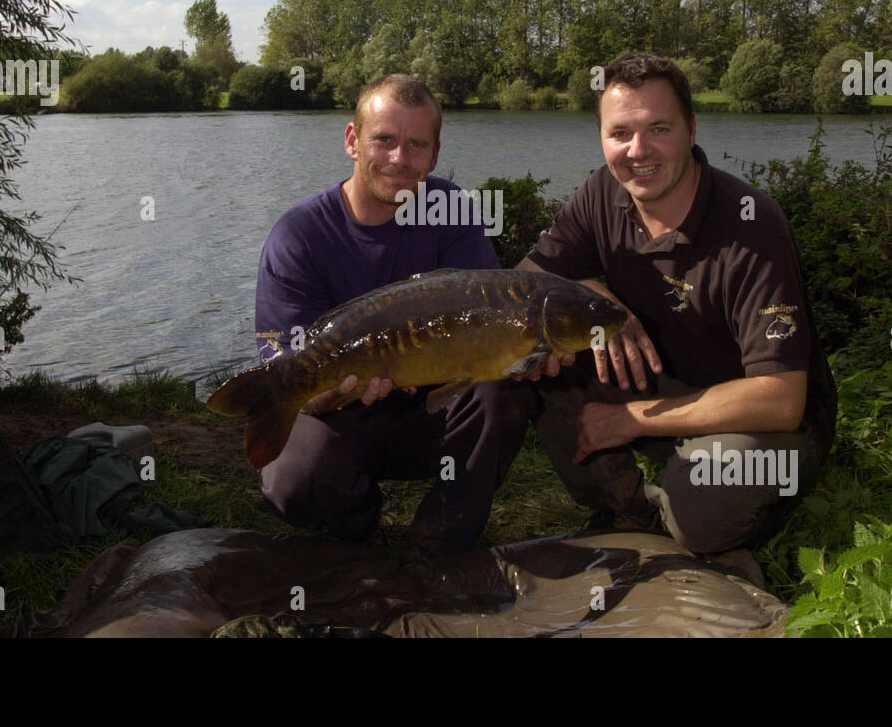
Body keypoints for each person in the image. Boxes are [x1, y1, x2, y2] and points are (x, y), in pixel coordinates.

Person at [517, 53, 837, 554]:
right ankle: (629, 509)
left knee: (700, 512)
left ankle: (693, 509)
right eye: (619, 133)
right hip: (665, 385)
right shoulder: (604, 191)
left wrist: (631, 420)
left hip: (764, 420)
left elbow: (781, 398)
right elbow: (525, 284)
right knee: (538, 354)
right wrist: (592, 294)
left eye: (658, 129)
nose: (637, 151)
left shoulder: (753, 227)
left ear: (691, 129)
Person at [253, 73, 532, 555]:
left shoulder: (451, 210)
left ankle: (444, 534)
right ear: (352, 140)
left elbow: (492, 320)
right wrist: (341, 392)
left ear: (435, 154)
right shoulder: (298, 236)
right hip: (343, 418)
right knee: (291, 476)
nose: (400, 160)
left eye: (416, 145)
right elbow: (285, 363)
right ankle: (360, 526)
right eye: (384, 140)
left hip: (432, 411)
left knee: (502, 390)